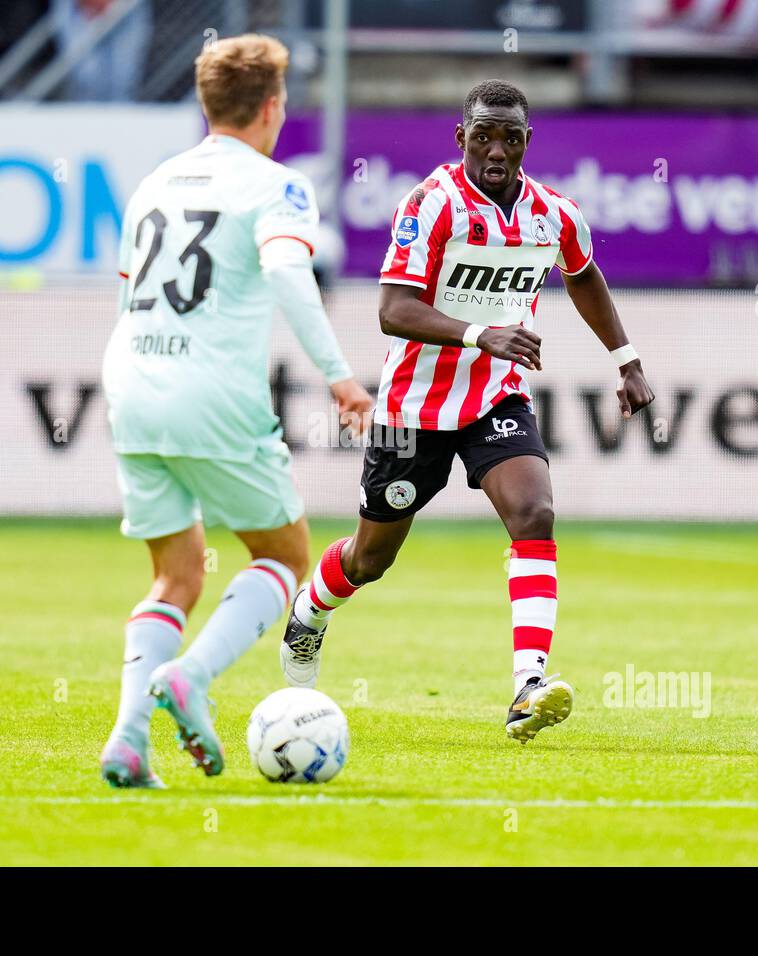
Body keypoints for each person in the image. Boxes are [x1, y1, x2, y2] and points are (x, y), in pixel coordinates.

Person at [279, 79, 655, 744]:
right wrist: (482, 333)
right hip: (414, 408)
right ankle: (311, 610)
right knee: (370, 561)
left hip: (495, 398)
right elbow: (393, 310)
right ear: (461, 139)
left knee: (535, 512)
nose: (496, 150)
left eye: (510, 138)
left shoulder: (553, 214)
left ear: (527, 143)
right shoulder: (432, 205)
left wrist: (626, 359)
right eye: (483, 135)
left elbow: (583, 273)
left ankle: (527, 686)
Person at [99, 34, 373, 787]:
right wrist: (340, 376)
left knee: (175, 575)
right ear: (273, 107)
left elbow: (128, 291)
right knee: (285, 557)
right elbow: (289, 273)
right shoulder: (278, 186)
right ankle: (191, 677)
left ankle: (128, 740)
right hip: (210, 388)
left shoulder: (153, 182)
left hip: (131, 379)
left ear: (205, 103)